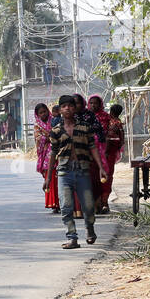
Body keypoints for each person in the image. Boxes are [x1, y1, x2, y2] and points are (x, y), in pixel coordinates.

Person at [49, 95, 107, 248]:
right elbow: (53, 154)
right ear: (60, 109)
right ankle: (72, 237)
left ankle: (90, 230)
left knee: (88, 206)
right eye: (64, 106)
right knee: (66, 206)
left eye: (70, 105)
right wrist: (48, 179)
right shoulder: (55, 131)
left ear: (75, 108)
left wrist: (101, 167)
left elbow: (93, 147)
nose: (67, 108)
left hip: (83, 170)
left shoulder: (85, 127)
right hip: (64, 171)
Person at [88, 95, 115, 213]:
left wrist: (107, 150)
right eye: (91, 103)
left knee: (106, 178)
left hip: (106, 152)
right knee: (92, 178)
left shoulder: (106, 117)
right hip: (90, 153)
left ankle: (104, 202)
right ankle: (94, 204)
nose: (93, 105)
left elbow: (112, 135)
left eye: (96, 103)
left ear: (100, 104)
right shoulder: (85, 117)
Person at [32, 103, 53, 209]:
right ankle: (51, 202)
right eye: (41, 113)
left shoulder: (54, 120)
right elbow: (39, 137)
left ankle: (57, 202)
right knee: (47, 177)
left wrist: (49, 137)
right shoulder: (37, 125)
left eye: (44, 111)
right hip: (44, 154)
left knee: (55, 176)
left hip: (55, 152)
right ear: (37, 114)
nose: (43, 114)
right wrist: (49, 137)